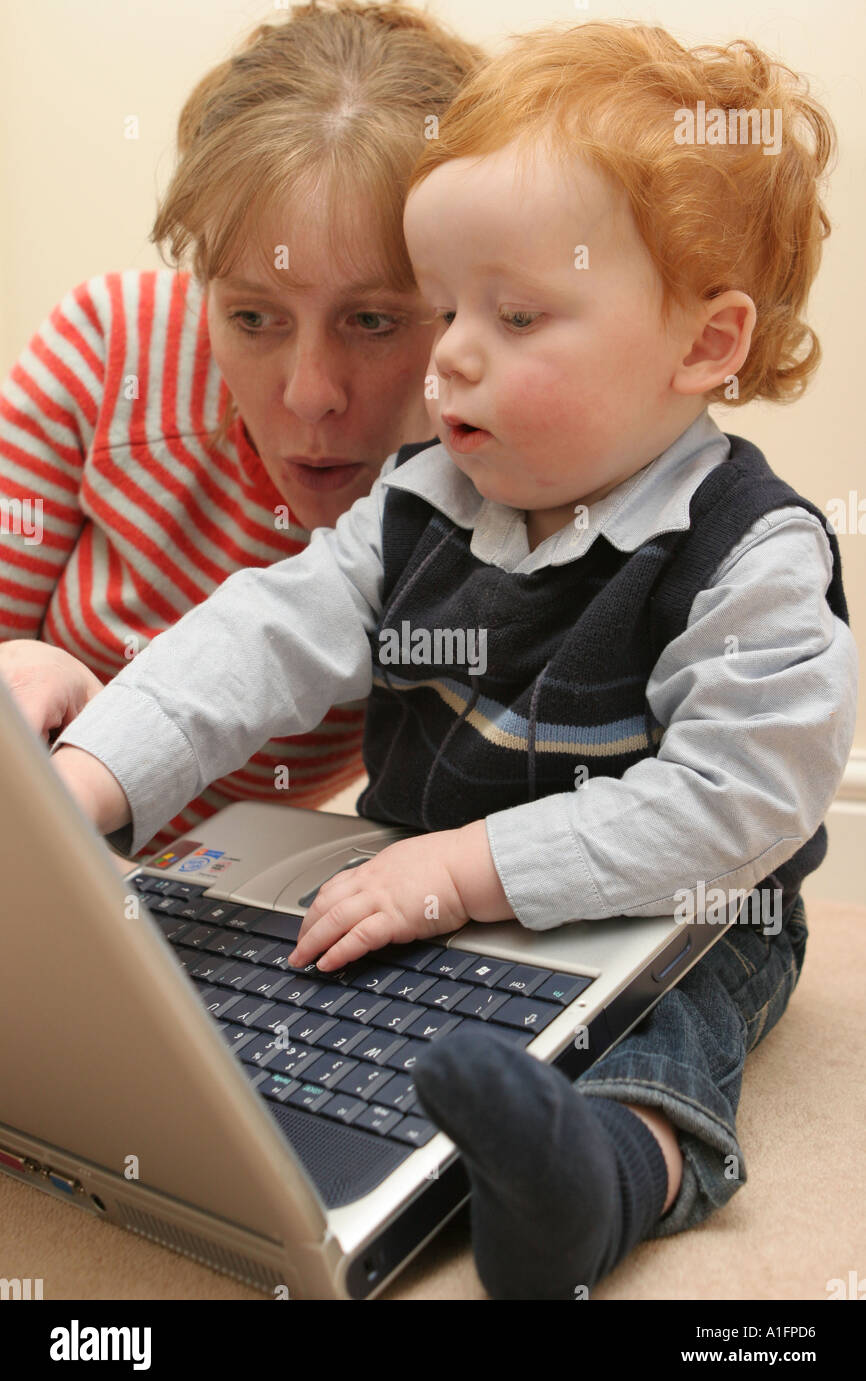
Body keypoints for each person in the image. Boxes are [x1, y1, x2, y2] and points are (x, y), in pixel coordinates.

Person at [32, 20, 859, 1300]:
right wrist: (85, 779)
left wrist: (476, 870)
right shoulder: (424, 501)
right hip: (415, 868)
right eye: (448, 307)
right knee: (309, 992)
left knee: (670, 1023)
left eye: (513, 314)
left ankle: (599, 1179)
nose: (450, 356)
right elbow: (258, 634)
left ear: (702, 345)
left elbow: (740, 802)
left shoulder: (746, 557)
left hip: (669, 910)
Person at [0, 0, 481, 862]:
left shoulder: (499, 472)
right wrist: (35, 667)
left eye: (372, 320)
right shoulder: (111, 354)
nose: (309, 396)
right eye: (252, 316)